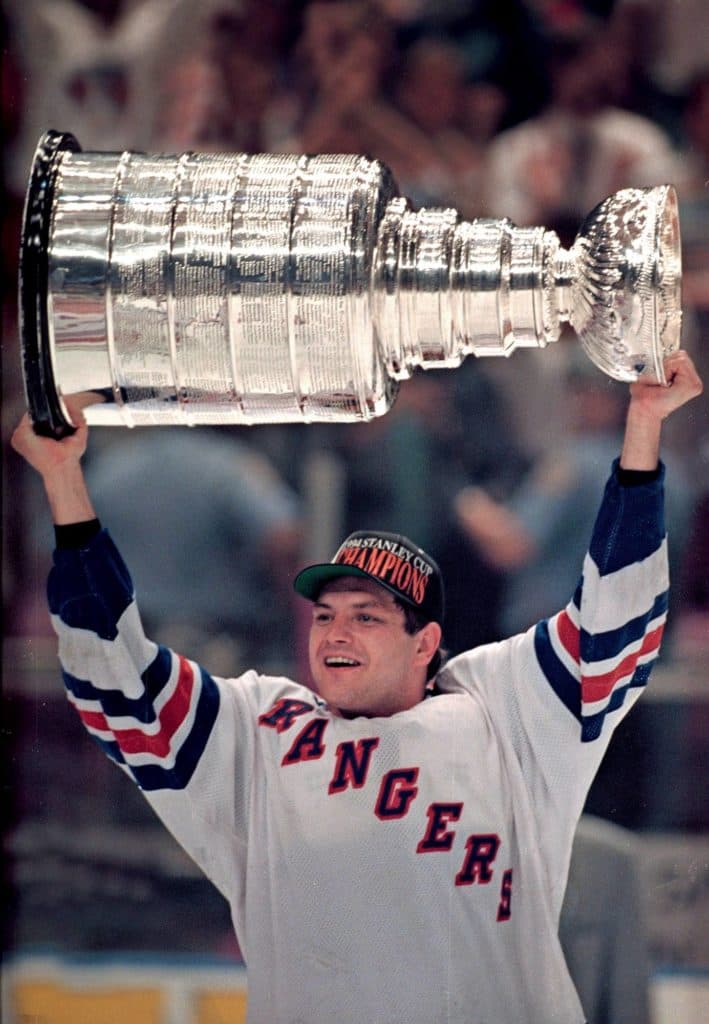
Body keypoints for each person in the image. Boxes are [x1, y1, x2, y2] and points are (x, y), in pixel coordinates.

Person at [10, 351, 703, 1024]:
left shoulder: (503, 709)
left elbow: (616, 621)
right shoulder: (259, 731)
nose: (335, 634)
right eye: (325, 616)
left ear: (424, 644)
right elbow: (116, 682)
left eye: (366, 617)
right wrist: (63, 481)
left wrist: (643, 431)